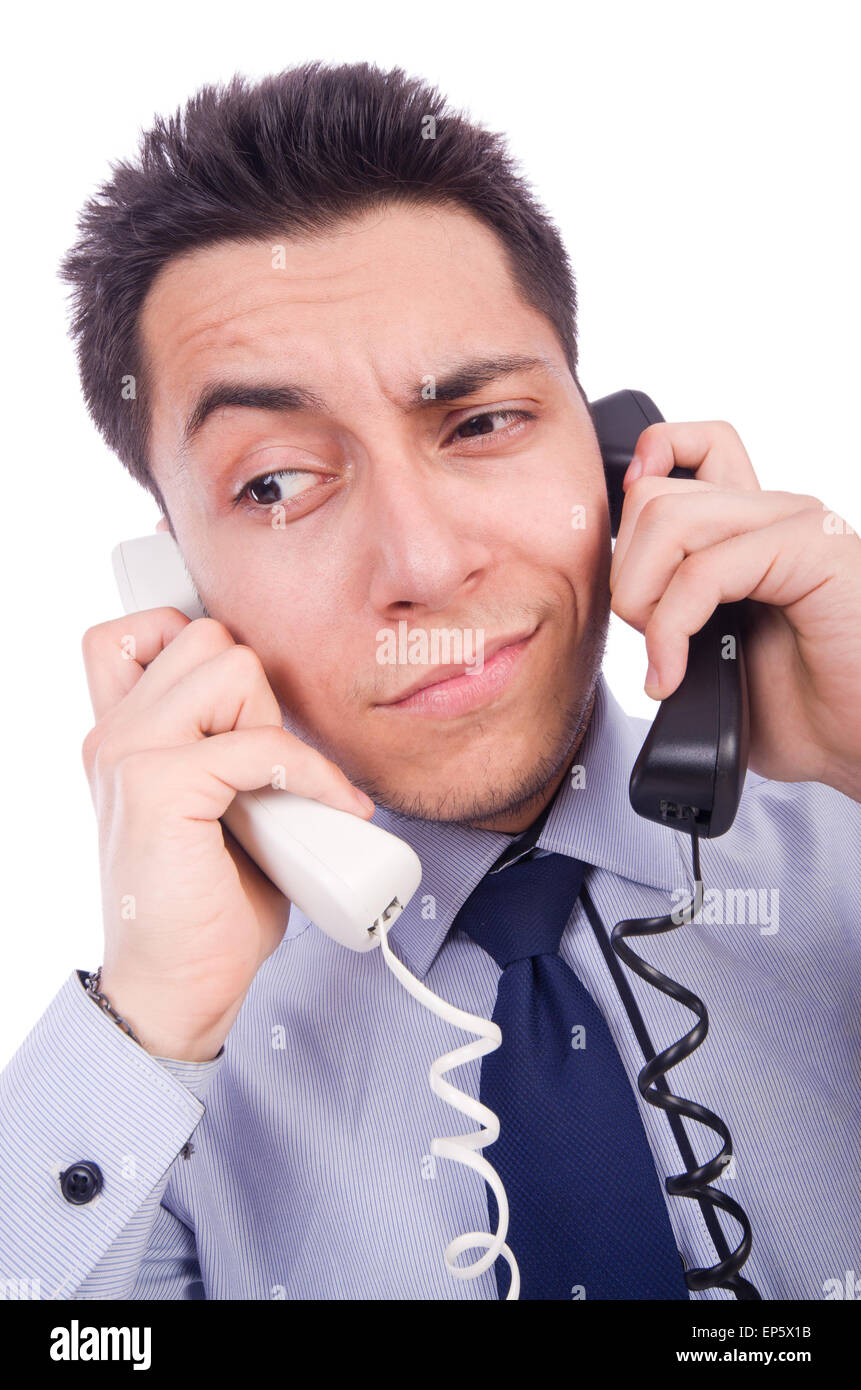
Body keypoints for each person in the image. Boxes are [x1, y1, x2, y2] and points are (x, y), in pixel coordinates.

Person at [1, 61, 858, 1302]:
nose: (424, 564)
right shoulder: (145, 1106)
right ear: (174, 584)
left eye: (482, 422)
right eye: (276, 483)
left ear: (618, 464)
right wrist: (147, 1029)